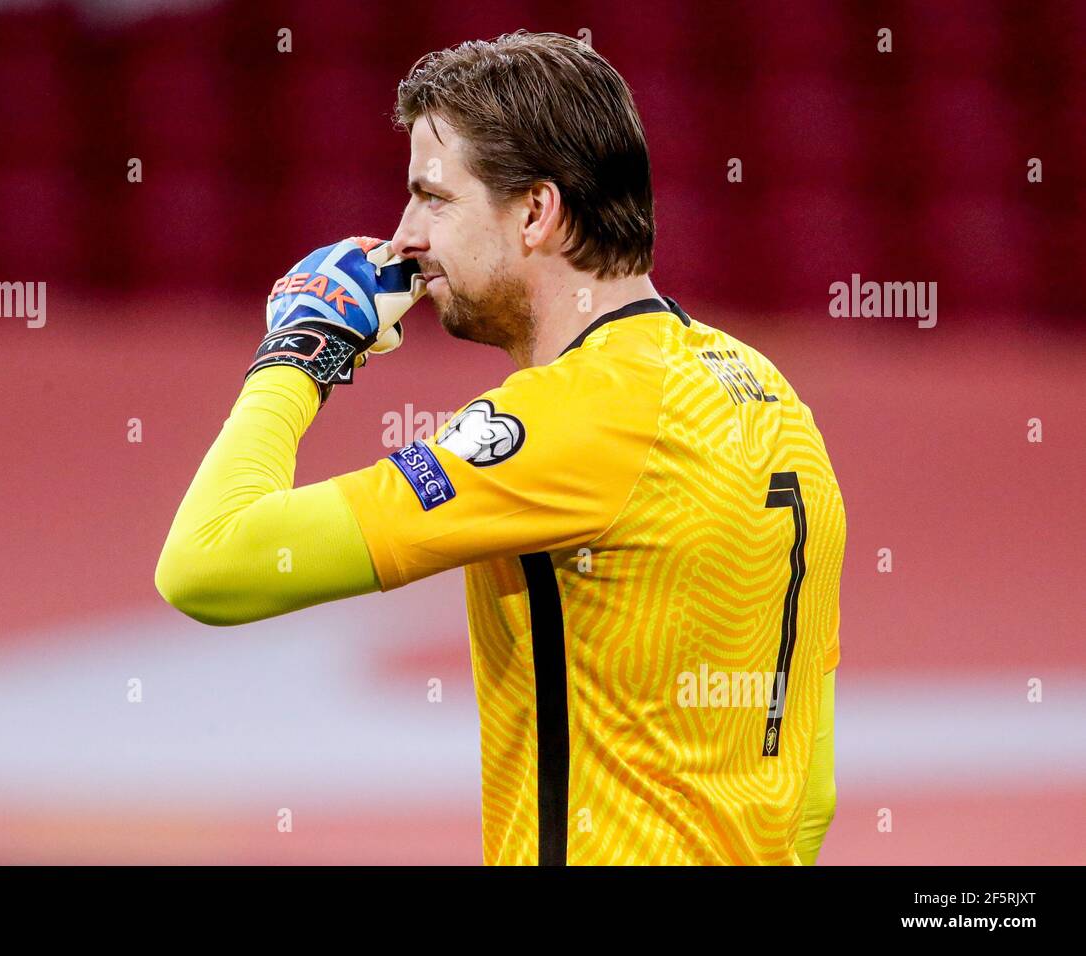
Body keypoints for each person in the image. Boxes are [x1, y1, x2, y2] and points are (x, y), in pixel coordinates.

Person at [156, 31, 844, 866]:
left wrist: (300, 354)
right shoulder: (769, 396)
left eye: (433, 198)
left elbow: (207, 562)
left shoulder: (570, 417)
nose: (405, 237)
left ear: (535, 212)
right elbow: (809, 792)